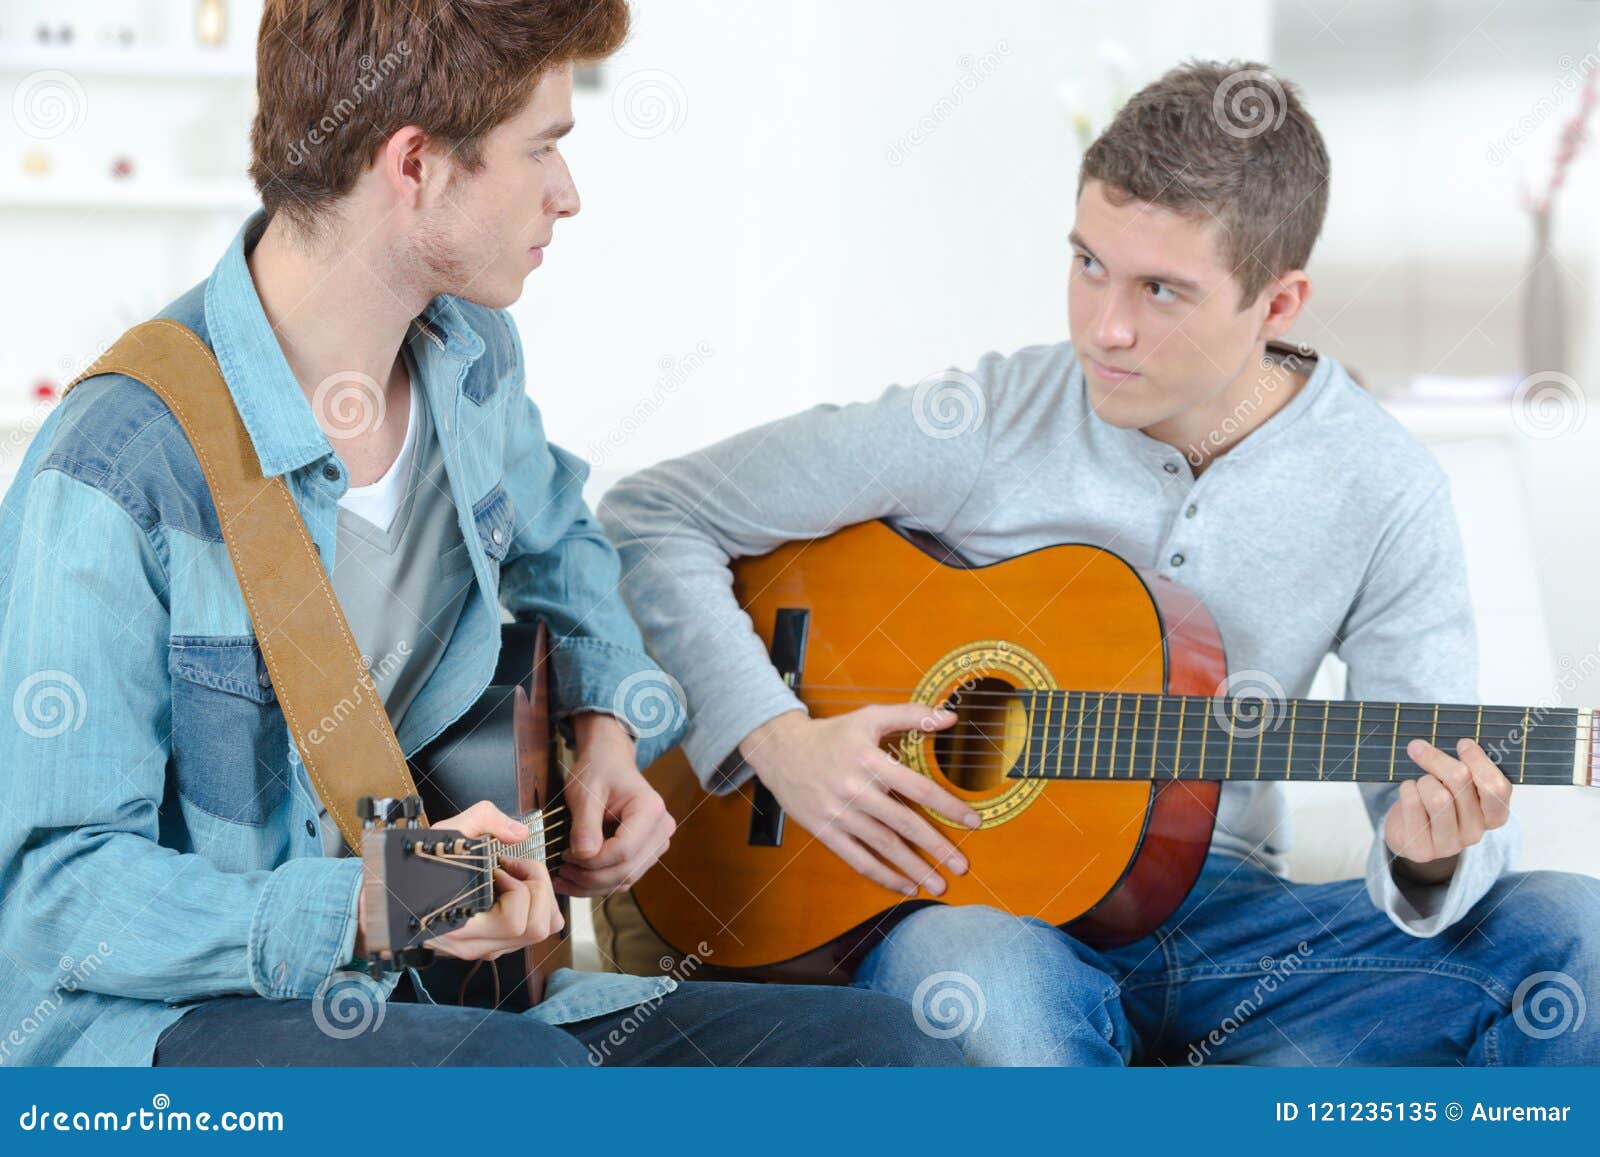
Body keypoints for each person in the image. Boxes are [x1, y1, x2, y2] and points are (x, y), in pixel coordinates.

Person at [0, 0, 958, 1069]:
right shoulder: (112, 466)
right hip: (165, 1034)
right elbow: (53, 895)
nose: (568, 194)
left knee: (886, 1051)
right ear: (415, 165)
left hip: (453, 996)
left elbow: (567, 545)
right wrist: (378, 900)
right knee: (515, 1081)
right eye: (543, 147)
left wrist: (605, 726)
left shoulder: (471, 358)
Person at [598, 60, 1600, 1066]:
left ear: (1279, 301)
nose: (1103, 327)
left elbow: (1422, 793)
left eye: (1159, 289)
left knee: (1573, 933)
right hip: (979, 914)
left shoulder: (1384, 485)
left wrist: (1434, 851)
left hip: (1227, 921)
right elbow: (654, 511)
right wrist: (777, 738)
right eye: (1087, 264)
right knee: (982, 986)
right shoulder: (982, 419)